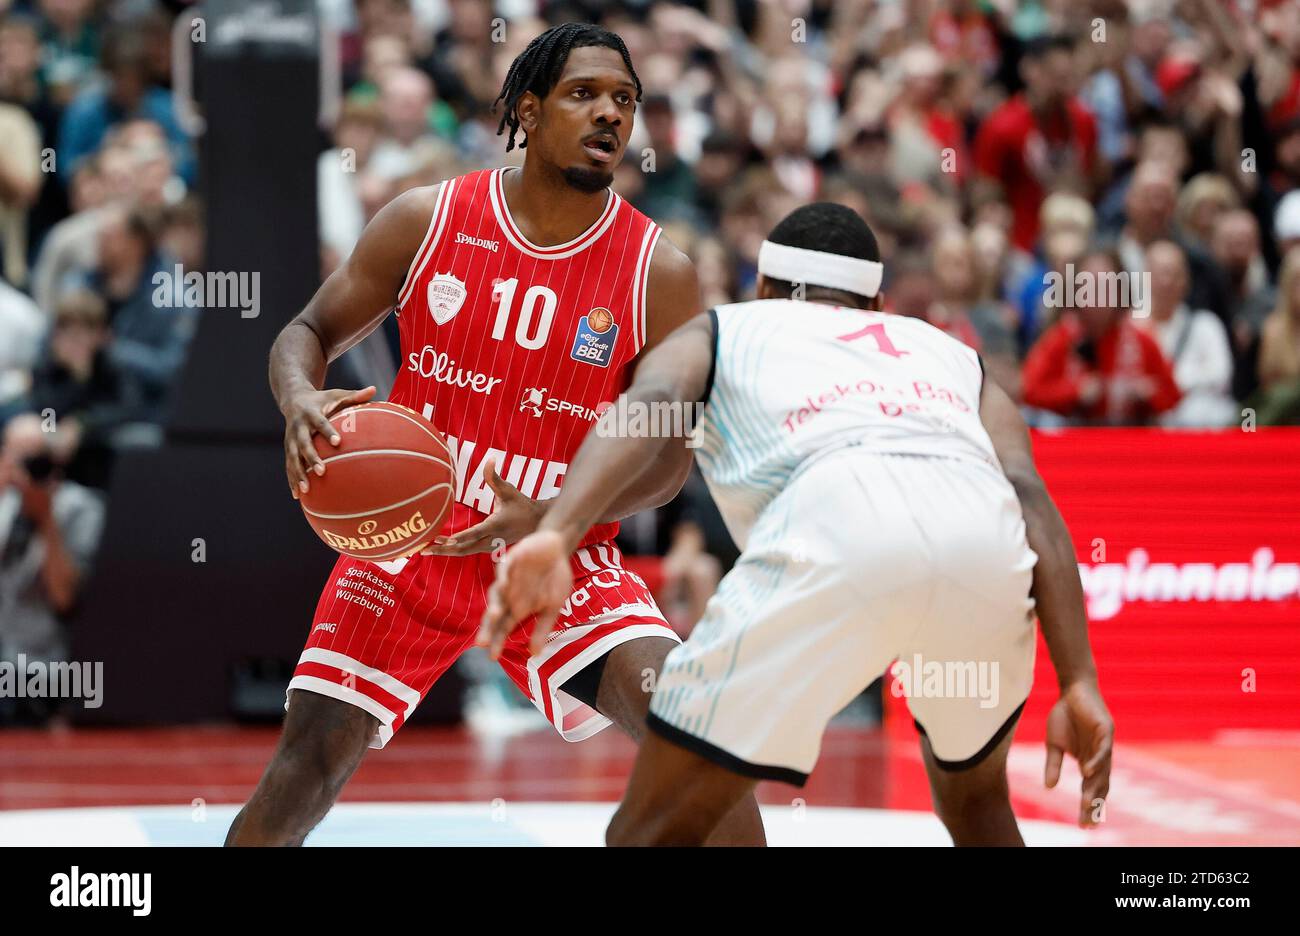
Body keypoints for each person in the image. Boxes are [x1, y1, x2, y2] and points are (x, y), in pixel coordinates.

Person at [227, 23, 763, 847]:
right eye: (584, 94)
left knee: (695, 736)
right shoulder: (427, 219)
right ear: (528, 107)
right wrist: (300, 396)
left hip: (559, 554)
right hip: (407, 548)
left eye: (625, 100)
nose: (609, 115)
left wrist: (558, 518)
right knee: (305, 768)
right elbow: (307, 327)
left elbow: (667, 463)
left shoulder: (659, 270)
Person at [480, 203, 1114, 846]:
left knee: (649, 830)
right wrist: (1080, 680)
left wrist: (559, 529)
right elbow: (1029, 499)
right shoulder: (954, 357)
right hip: (984, 552)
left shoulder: (728, 327)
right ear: (877, 304)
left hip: (836, 531)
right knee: (978, 805)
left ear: (764, 288)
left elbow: (649, 408)